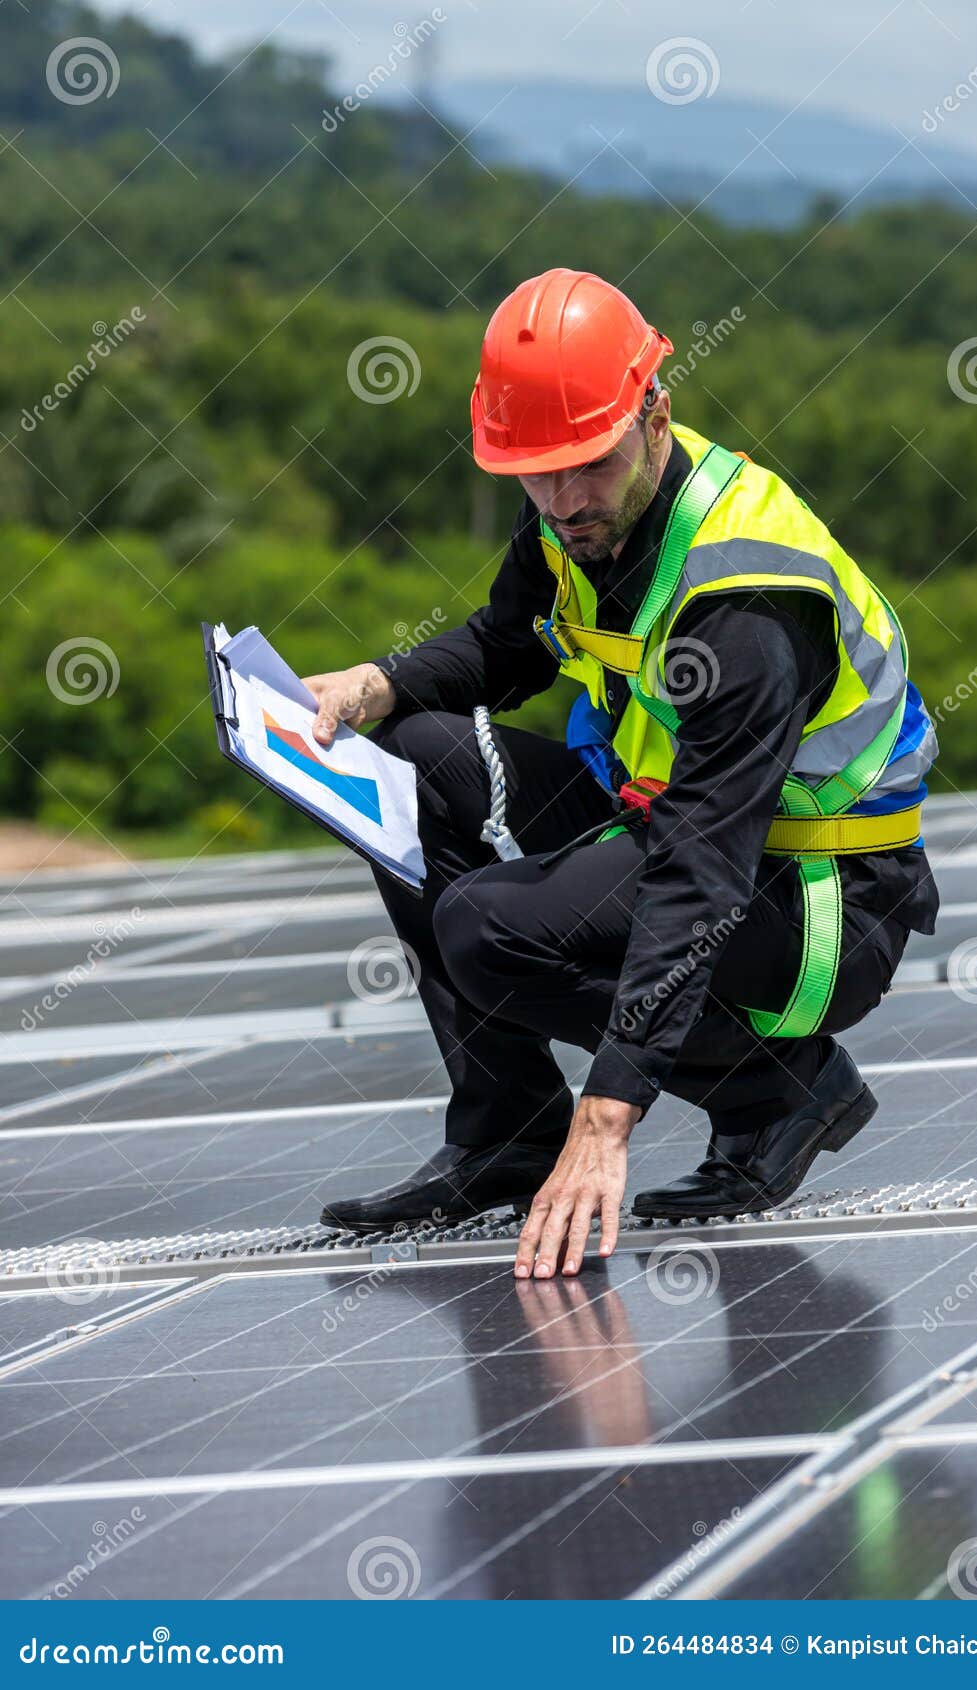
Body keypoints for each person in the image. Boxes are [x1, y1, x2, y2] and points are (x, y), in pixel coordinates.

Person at [303, 267, 940, 1281]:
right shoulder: (575, 510)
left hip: (814, 895)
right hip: (674, 825)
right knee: (414, 760)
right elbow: (509, 645)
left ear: (655, 412)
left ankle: (777, 1087)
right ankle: (504, 1130)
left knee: (484, 926)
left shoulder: (741, 595)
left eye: (585, 467)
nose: (560, 500)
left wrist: (607, 1118)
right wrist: (374, 686)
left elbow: (700, 873)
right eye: (533, 474)